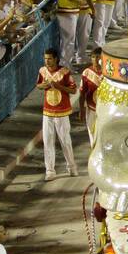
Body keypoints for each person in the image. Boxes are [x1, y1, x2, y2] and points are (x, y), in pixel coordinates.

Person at [37, 48, 78, 181]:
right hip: (47, 112)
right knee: (47, 142)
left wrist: (57, 86)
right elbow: (38, 85)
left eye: (49, 58)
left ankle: (72, 167)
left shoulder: (65, 72)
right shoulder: (42, 71)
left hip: (62, 112)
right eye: (45, 58)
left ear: (56, 59)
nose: (47, 61)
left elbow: (73, 90)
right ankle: (50, 170)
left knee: (65, 141)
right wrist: (45, 85)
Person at [55, 0, 81, 68]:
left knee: (70, 39)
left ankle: (67, 63)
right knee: (68, 40)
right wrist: (81, 1)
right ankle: (65, 65)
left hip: (71, 11)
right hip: (67, 12)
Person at [78, 48, 102, 148]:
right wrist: (81, 109)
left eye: (98, 57)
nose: (95, 60)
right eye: (93, 57)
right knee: (92, 135)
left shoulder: (108, 73)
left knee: (101, 135)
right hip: (91, 109)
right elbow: (82, 93)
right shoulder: (86, 73)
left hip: (103, 110)